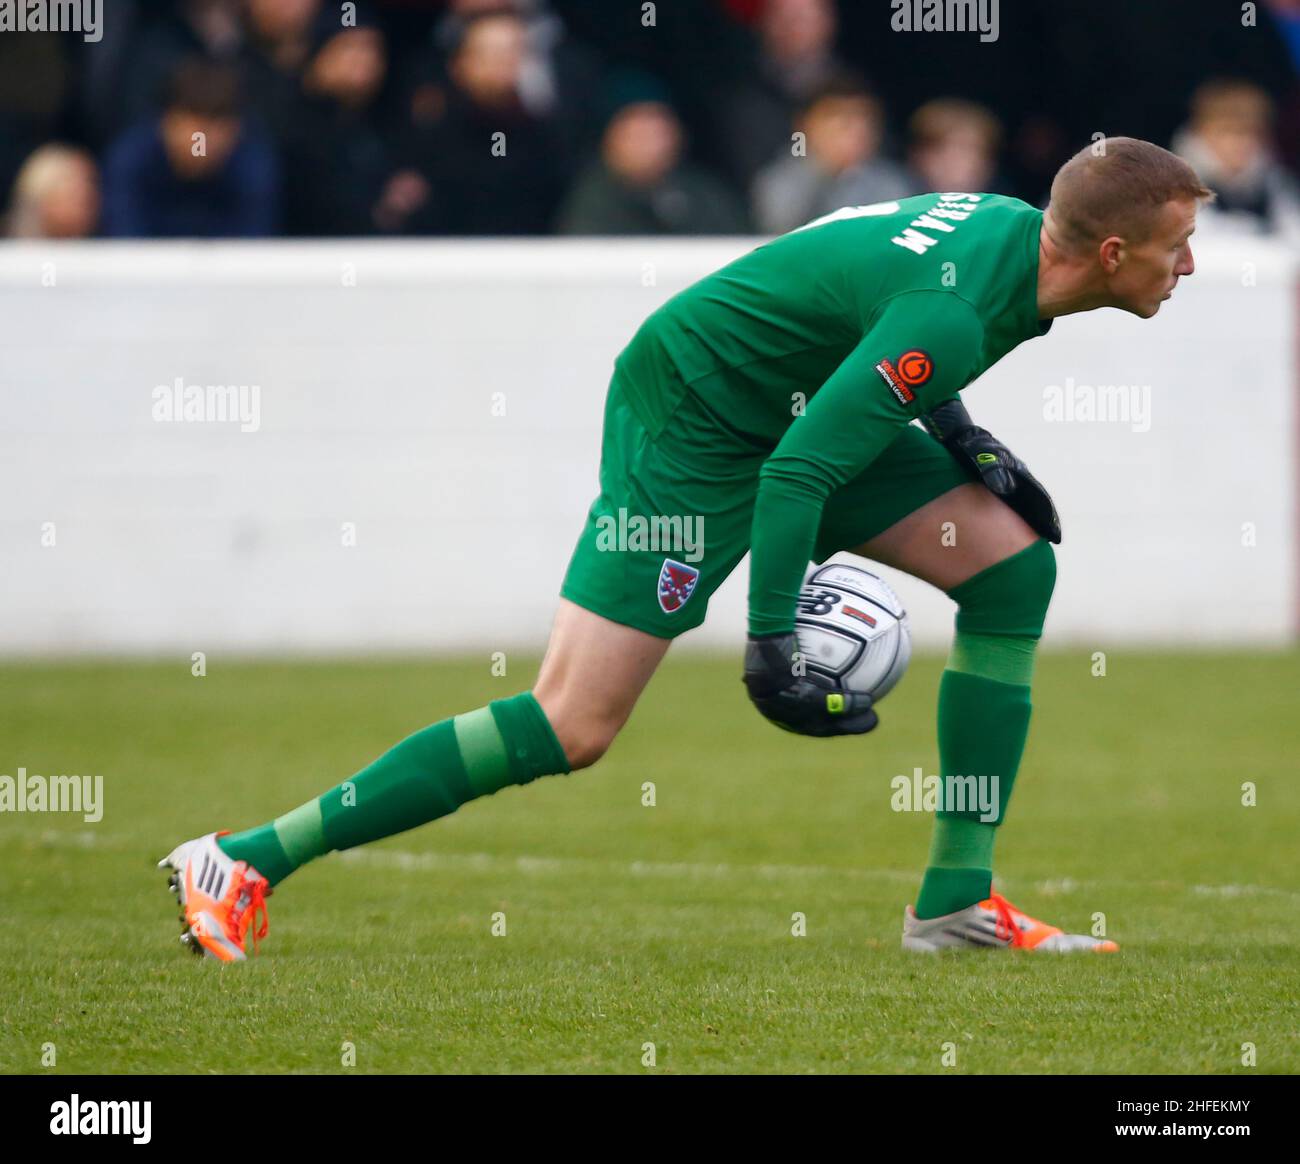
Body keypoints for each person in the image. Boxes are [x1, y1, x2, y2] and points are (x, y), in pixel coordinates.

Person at [160, 137, 1209, 960]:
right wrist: (771, 652)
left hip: (787, 405)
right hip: (697, 415)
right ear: (1111, 253)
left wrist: (960, 433)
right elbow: (803, 466)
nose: (1190, 266)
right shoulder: (961, 305)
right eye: (1177, 246)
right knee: (573, 723)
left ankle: (955, 906)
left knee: (1011, 563)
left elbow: (888, 331)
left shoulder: (1017, 240)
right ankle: (242, 861)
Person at [101, 58, 279, 238]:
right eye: (195, 129)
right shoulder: (132, 159)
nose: (203, 142)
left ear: (236, 129)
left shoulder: (253, 165)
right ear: (166, 121)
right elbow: (124, 239)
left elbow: (253, 245)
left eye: (215, 128)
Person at [751, 76, 913, 235]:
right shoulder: (780, 179)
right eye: (839, 118)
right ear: (805, 124)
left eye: (863, 119)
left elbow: (897, 234)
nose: (854, 130)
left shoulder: (890, 181)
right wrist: (827, 168)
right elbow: (778, 228)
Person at [4, 144, 100, 238]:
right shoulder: (8, 248)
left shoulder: (103, 249)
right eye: (71, 184)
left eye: (90, 183)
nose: (85, 194)